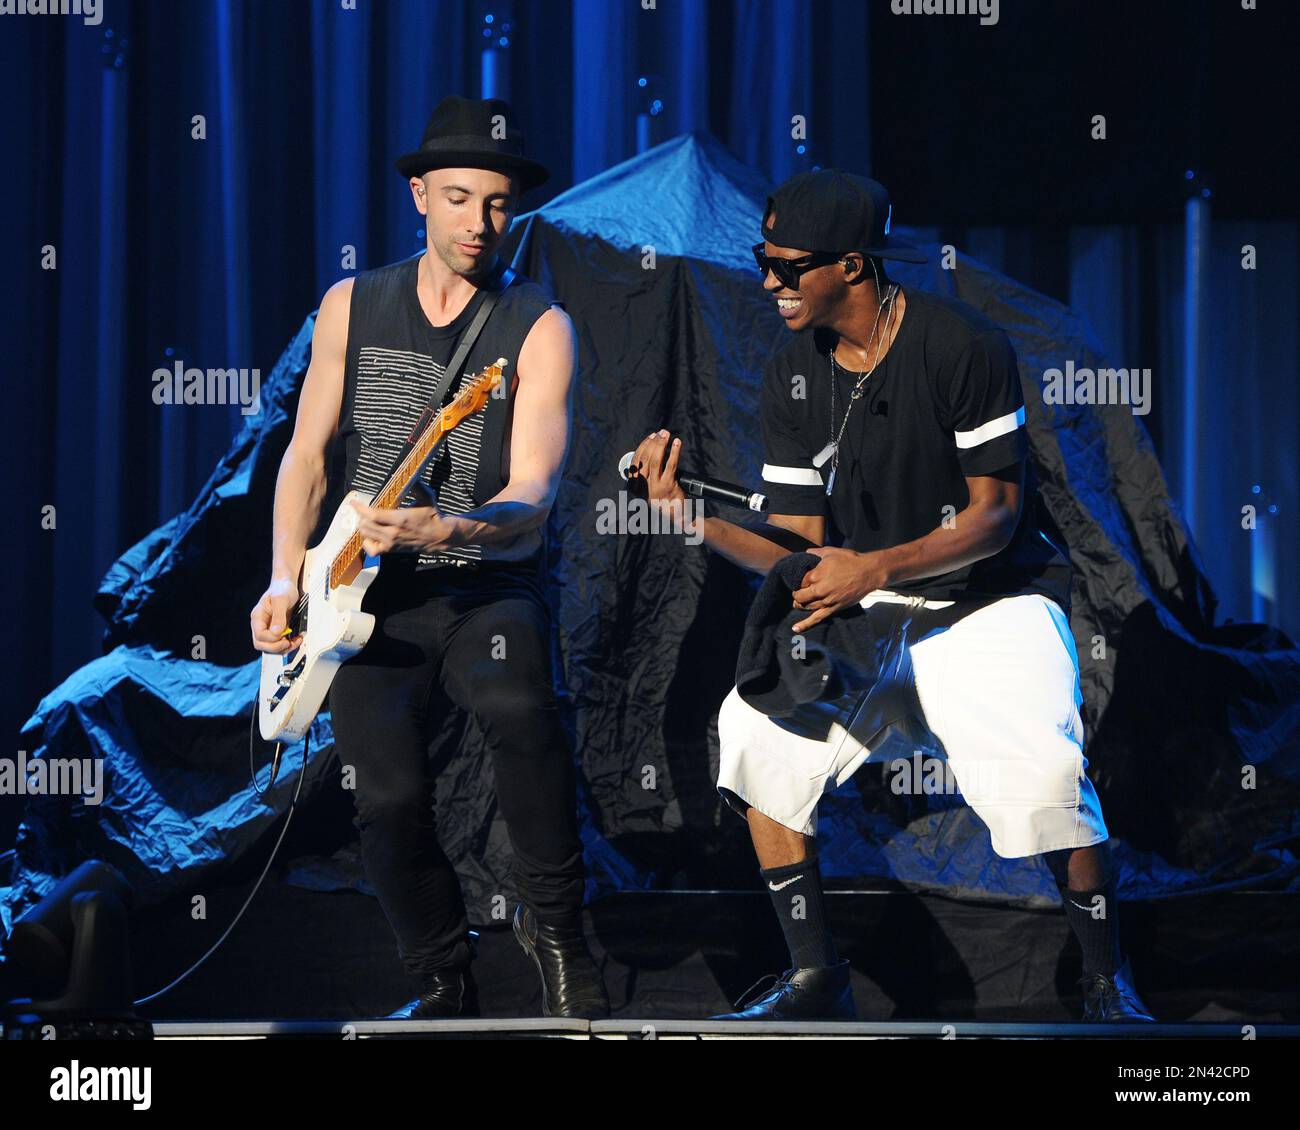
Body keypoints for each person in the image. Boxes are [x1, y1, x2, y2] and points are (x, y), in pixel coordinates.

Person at [629, 170, 1153, 1023]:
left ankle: (1104, 983)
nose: (770, 280)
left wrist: (874, 567)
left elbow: (996, 515)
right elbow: (798, 542)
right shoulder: (791, 373)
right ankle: (815, 976)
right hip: (869, 610)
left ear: (854, 266)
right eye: (764, 261)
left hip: (987, 597)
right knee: (756, 733)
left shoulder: (962, 346)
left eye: (789, 265)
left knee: (1047, 775)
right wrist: (688, 517)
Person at [250, 96, 608, 1020]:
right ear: (419, 195)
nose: (479, 225)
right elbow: (307, 453)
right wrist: (286, 577)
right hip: (362, 592)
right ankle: (441, 974)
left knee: (519, 709)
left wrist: (449, 529)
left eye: (496, 205)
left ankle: (559, 931)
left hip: (486, 581)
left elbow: (533, 492)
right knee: (387, 799)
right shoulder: (351, 304)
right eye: (457, 199)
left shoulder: (538, 325)